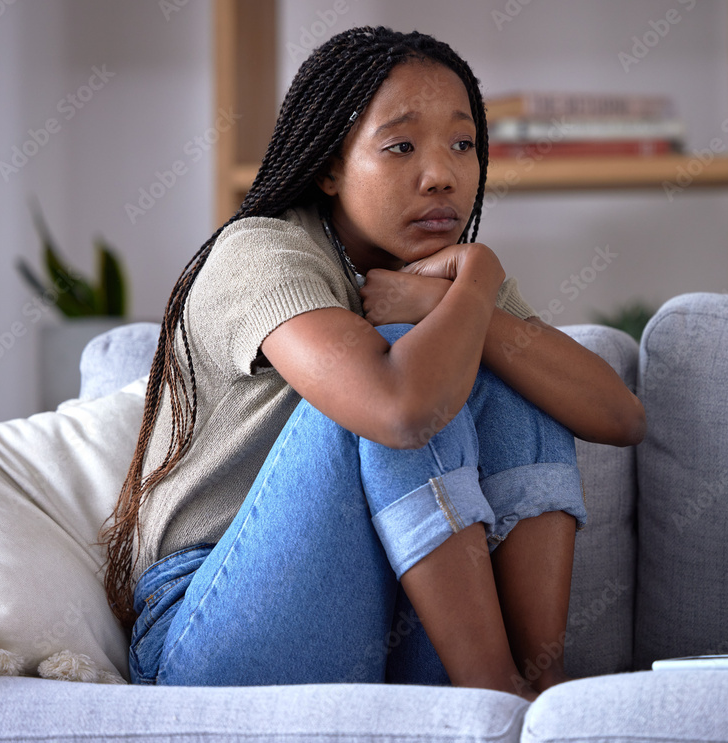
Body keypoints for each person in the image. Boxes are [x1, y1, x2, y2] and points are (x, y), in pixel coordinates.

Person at [101, 26, 645, 701]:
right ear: (330, 165)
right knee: (410, 357)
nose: (442, 173)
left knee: (513, 371)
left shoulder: (437, 283)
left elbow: (620, 415)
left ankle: (540, 686)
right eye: (401, 146)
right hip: (215, 628)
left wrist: (468, 301)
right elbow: (400, 408)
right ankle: (492, 691)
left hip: (378, 612)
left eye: (463, 144)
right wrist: (476, 279)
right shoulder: (260, 250)